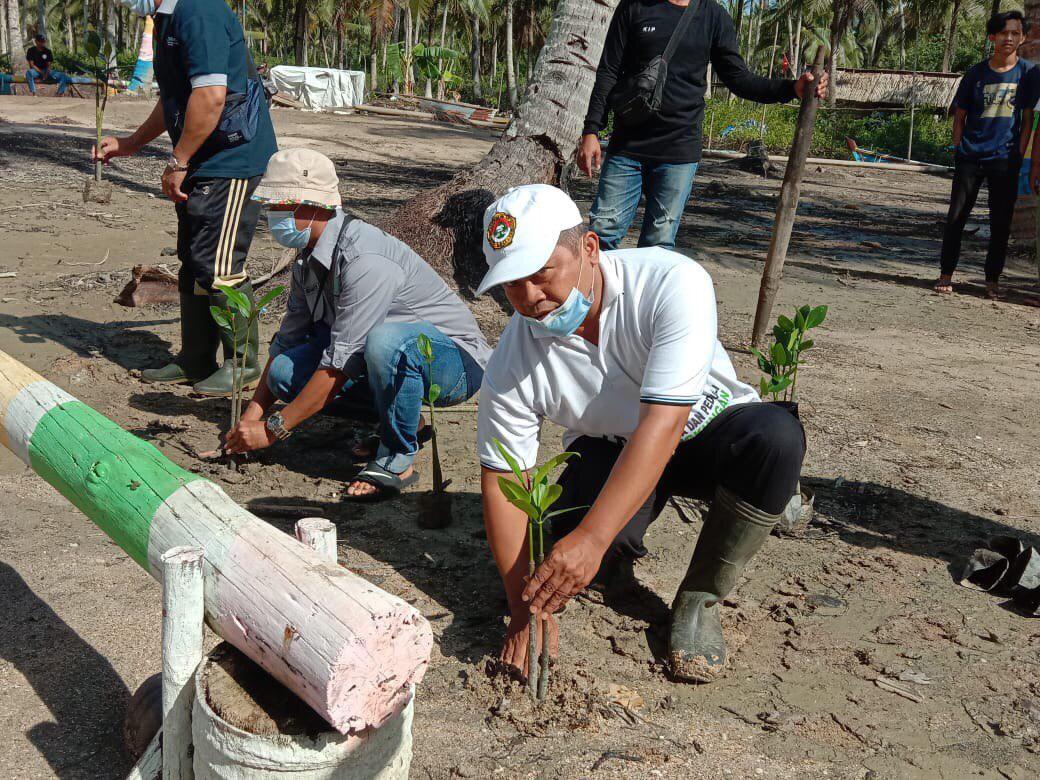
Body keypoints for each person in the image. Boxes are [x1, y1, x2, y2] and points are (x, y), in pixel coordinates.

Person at [475, 184, 805, 683]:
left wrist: (592, 537)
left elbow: (664, 422)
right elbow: (503, 480)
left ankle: (699, 600)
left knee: (775, 442)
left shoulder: (672, 280)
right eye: (511, 285)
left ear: (589, 248)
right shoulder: (512, 362)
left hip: (704, 432)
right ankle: (625, 531)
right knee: (554, 565)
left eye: (541, 274)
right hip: (610, 449)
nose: (529, 300)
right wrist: (523, 612)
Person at [223, 149, 492, 501]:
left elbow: (339, 363)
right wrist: (250, 420)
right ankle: (410, 424)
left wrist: (273, 430)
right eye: (271, 207)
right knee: (284, 372)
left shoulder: (365, 258)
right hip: (386, 360)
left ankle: (397, 458)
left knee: (386, 341)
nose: (273, 216)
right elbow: (287, 342)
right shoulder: (308, 259)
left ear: (316, 205)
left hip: (455, 363)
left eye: (281, 206)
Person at [94, 0, 277, 396]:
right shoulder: (166, 18)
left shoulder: (199, 10)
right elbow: (176, 98)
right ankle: (195, 358)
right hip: (202, 160)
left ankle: (242, 363)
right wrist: (130, 144)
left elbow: (211, 96)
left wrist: (179, 160)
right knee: (195, 263)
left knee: (220, 265)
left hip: (232, 160)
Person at [577, 0, 828, 250]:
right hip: (627, 147)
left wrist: (791, 89)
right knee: (601, 237)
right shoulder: (635, 7)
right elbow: (609, 71)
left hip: (679, 151)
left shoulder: (714, 16)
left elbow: (739, 79)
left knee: (658, 245)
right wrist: (591, 130)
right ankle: (595, 291)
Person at [938, 10, 1038, 300]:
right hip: (971, 156)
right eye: (1003, 32)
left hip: (1005, 160)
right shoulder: (975, 73)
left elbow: (1028, 118)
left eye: (1015, 33)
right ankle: (946, 274)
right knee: (956, 217)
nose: (1009, 38)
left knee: (1000, 223)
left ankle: (991, 280)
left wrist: (1019, 152)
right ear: (992, 36)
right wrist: (958, 147)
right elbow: (960, 114)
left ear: (1022, 38)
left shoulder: (1029, 74)